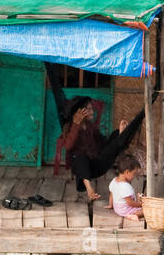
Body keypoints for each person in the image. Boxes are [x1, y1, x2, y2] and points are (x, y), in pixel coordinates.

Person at [46, 64, 146, 201]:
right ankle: (90, 190)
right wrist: (75, 124)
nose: (92, 111)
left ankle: (121, 134)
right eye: (88, 109)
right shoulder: (70, 126)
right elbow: (68, 146)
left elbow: (104, 143)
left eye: (91, 108)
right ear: (80, 112)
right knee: (79, 157)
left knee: (115, 136)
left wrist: (120, 134)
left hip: (97, 163)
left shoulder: (90, 126)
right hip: (81, 166)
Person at [108, 154, 144, 219]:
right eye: (134, 173)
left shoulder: (114, 181)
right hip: (126, 211)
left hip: (118, 209)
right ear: (127, 172)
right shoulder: (125, 186)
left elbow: (111, 193)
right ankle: (132, 216)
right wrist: (141, 204)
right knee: (146, 210)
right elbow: (130, 203)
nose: (135, 176)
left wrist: (111, 205)